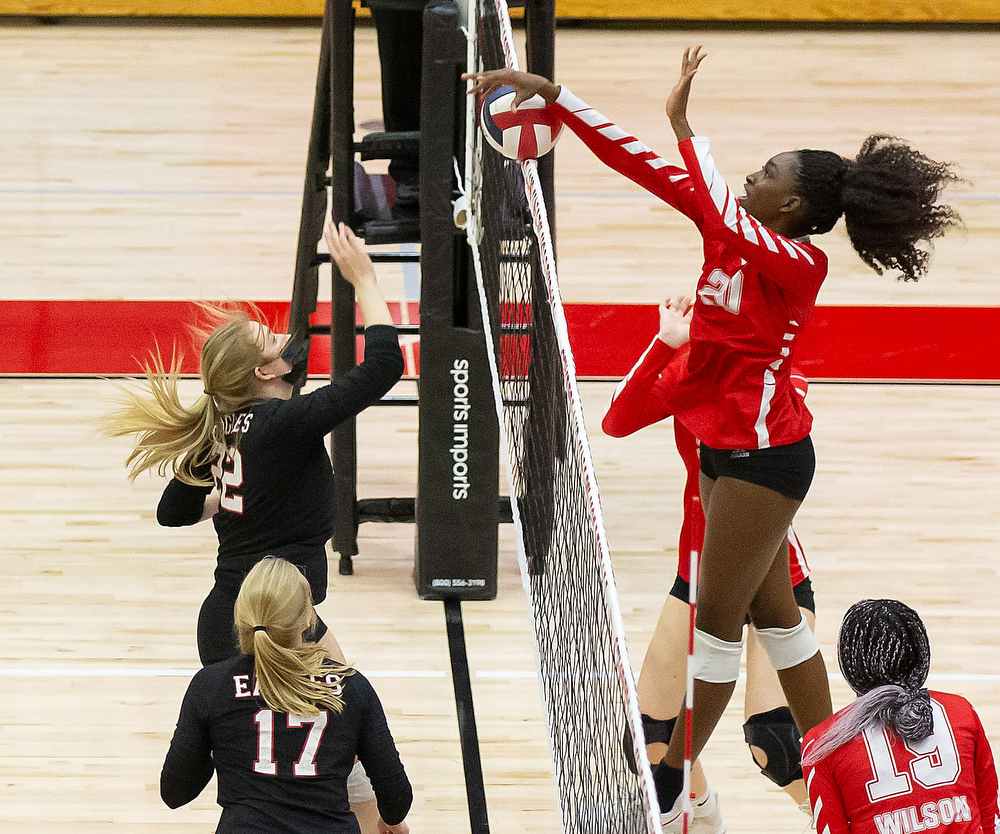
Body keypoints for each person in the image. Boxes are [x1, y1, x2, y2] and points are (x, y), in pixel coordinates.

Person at [465, 46, 960, 831]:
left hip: (768, 459)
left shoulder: (797, 263)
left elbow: (716, 203)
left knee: (719, 626)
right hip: (726, 456)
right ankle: (833, 749)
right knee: (779, 623)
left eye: (767, 172)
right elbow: (652, 174)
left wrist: (684, 125)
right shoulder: (732, 235)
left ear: (793, 205)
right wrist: (559, 98)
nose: (752, 178)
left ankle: (675, 771)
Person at [105, 219, 403, 667]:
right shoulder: (284, 423)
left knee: (347, 711)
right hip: (264, 626)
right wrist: (364, 279)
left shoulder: (223, 425)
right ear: (265, 372)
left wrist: (228, 499)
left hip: (265, 615)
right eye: (272, 341)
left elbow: (173, 511)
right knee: (338, 720)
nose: (286, 338)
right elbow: (384, 365)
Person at [604, 297, 816, 834]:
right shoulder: (686, 367)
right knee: (652, 742)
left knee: (777, 747)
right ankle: (704, 821)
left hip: (771, 572)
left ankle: (853, 818)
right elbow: (616, 420)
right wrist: (666, 343)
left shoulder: (772, 379)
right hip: (696, 572)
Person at [160, 556, 412, 834]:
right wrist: (389, 821)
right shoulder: (351, 687)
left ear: (241, 616)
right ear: (308, 619)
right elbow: (396, 796)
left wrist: (216, 745)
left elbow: (174, 793)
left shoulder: (211, 686)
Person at [802, 599, 998, 834]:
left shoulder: (822, 743)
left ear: (849, 664)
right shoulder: (961, 711)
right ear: (921, 656)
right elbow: (991, 817)